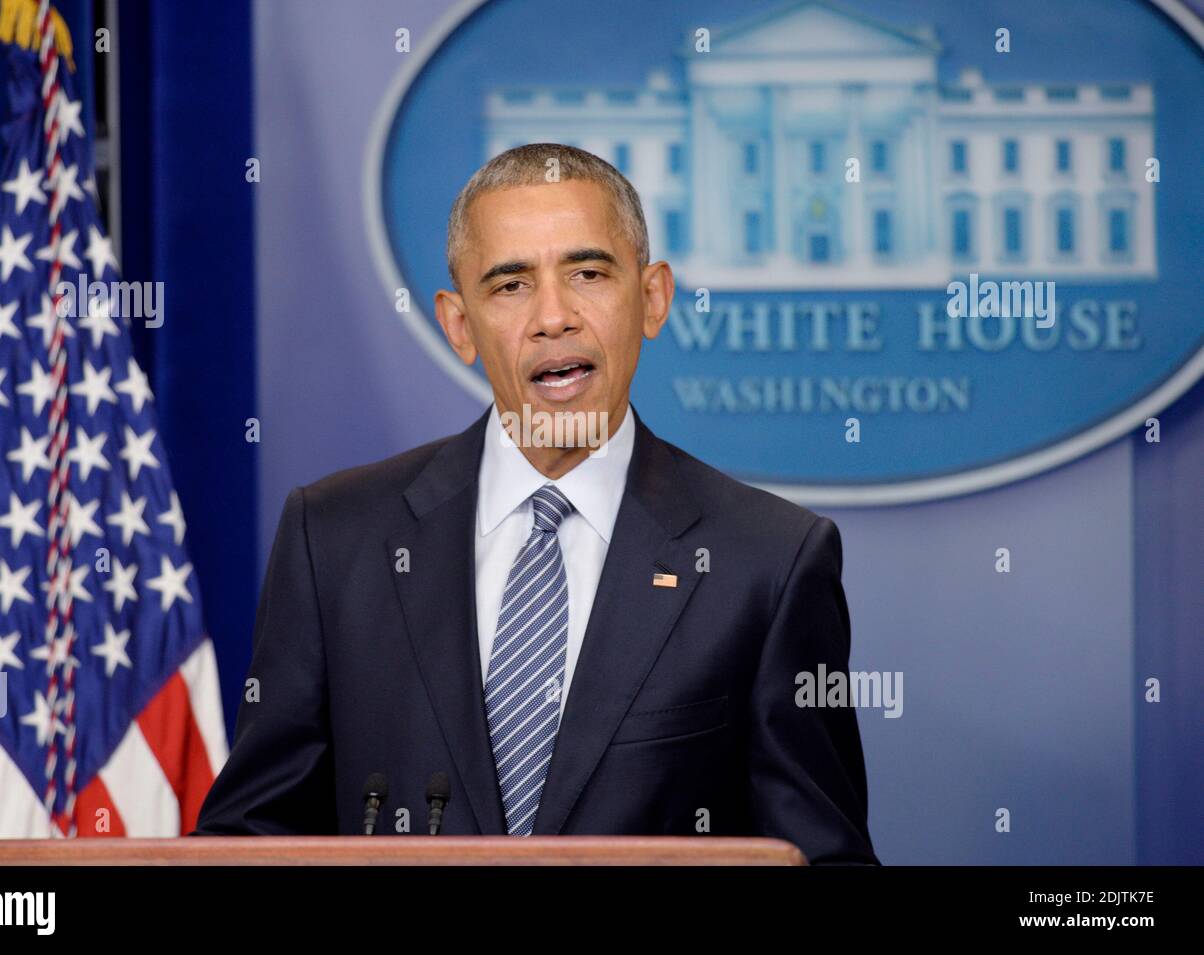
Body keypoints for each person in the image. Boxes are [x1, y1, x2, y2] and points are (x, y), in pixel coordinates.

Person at [194, 144, 879, 864]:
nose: (554, 317)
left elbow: (823, 856)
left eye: (587, 273)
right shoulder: (334, 539)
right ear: (459, 325)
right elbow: (250, 843)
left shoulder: (768, 561)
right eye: (511, 285)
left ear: (652, 299)